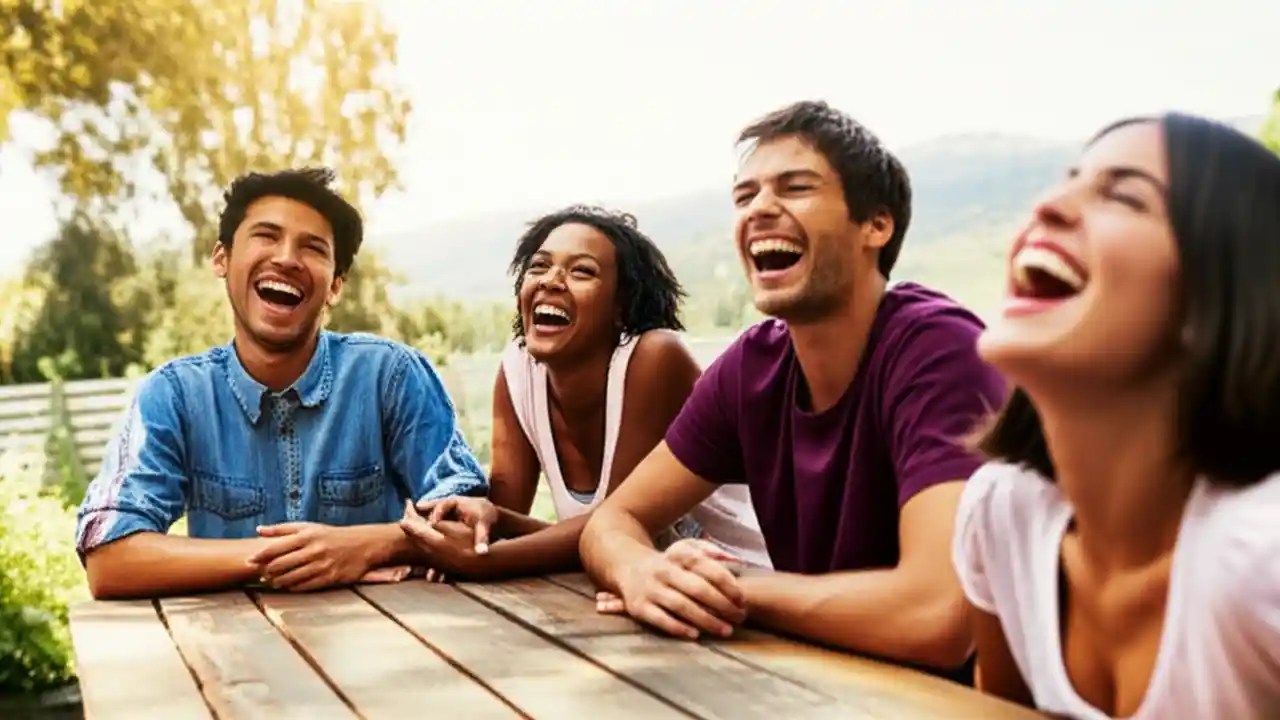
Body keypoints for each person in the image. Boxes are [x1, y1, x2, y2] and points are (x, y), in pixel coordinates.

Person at [578, 100, 1006, 673]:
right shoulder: (752, 366)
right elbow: (612, 520)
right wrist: (641, 572)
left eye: (795, 187)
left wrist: (731, 586)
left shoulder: (939, 351)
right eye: (744, 195)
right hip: (831, 686)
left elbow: (939, 616)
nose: (760, 209)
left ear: (876, 224)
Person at [953, 114, 1280, 718]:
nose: (1046, 205)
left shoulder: (1259, 559)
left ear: (1219, 296)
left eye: (1125, 197)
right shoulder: (1003, 515)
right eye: (1066, 181)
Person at [75, 167, 486, 599]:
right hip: (231, 656)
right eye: (266, 236)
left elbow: (469, 530)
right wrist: (286, 558)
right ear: (222, 259)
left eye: (312, 247)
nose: (287, 258)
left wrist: (363, 546)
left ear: (335, 287)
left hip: (385, 646)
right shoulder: (174, 394)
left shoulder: (392, 376)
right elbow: (110, 559)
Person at [398, 205, 771, 578]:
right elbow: (587, 540)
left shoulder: (655, 357)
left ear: (621, 307)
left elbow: (617, 528)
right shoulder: (518, 371)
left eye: (581, 271)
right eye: (538, 266)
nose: (551, 280)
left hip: (752, 576)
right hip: (651, 582)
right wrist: (488, 523)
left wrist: (484, 559)